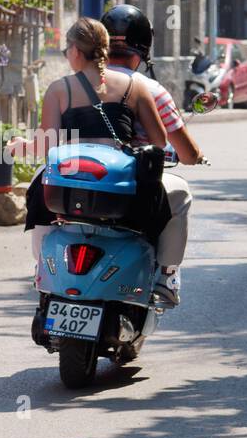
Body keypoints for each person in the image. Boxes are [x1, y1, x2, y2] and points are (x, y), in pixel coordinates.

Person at [12, 16, 169, 268]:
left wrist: (22, 145)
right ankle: (163, 274)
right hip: (119, 183)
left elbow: (46, 144)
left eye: (66, 50)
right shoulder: (135, 85)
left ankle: (44, 266)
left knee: (38, 192)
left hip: (72, 180)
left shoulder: (60, 89)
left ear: (75, 50)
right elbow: (159, 140)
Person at [102, 4, 207, 307]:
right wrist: (196, 155)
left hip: (81, 181)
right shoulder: (152, 90)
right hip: (129, 189)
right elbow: (184, 152)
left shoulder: (78, 84)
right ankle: (167, 275)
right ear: (144, 48)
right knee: (182, 195)